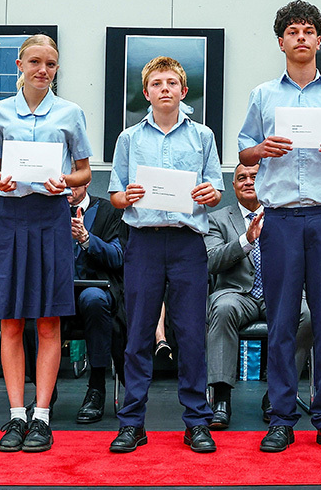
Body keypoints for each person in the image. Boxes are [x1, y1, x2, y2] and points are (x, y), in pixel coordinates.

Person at [238, 0, 321, 454]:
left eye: (310, 30)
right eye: (293, 31)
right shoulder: (263, 95)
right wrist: (261, 150)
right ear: (281, 42)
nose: (302, 37)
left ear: (319, 40)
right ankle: (282, 418)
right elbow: (244, 150)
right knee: (283, 322)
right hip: (281, 219)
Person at [0, 34, 92, 453]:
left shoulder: (70, 112)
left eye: (50, 64)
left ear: (57, 69)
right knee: (10, 319)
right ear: (19, 65)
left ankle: (42, 417)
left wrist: (66, 180)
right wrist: (0, 179)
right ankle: (15, 415)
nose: (42, 70)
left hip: (50, 216)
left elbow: (84, 172)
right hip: (9, 217)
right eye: (34, 62)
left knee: (49, 320)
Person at [108, 56, 223, 454]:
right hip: (143, 243)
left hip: (188, 243)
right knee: (138, 333)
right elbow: (116, 194)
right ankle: (132, 424)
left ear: (183, 91)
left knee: (192, 334)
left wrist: (210, 193)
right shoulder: (129, 138)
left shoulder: (203, 136)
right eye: (157, 83)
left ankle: (196, 422)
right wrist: (128, 197)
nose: (165, 89)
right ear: (147, 93)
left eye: (172, 83)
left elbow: (216, 189)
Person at [204, 162, 314, 429]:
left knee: (307, 315)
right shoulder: (217, 219)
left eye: (254, 176)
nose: (248, 181)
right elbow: (210, 261)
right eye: (241, 177)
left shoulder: (285, 216)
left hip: (278, 292)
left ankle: (276, 394)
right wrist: (246, 240)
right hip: (236, 293)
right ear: (233, 186)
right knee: (222, 308)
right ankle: (221, 399)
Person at [68, 179, 125, 424]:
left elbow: (118, 256)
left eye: (72, 181)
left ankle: (97, 386)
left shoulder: (110, 210)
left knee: (93, 299)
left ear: (87, 180)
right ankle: (44, 389)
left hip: (96, 289)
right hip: (58, 291)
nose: (66, 187)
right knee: (37, 304)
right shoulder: (47, 210)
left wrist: (87, 239)